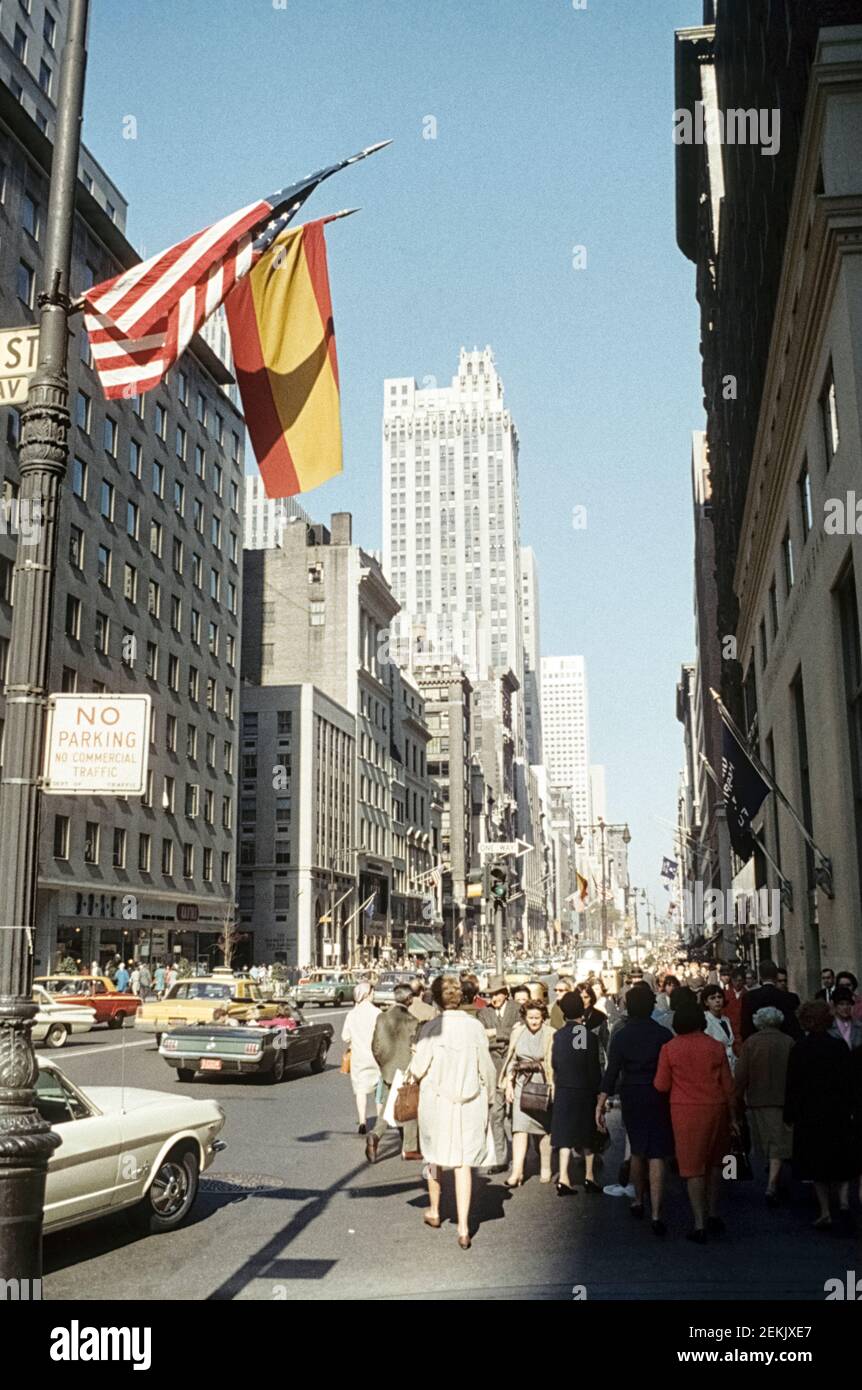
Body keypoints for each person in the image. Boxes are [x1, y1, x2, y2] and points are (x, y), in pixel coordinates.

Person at [411, 977, 497, 1249]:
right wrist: (491, 1098)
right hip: (470, 1102)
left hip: (437, 1102)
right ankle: (463, 1228)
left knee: (433, 1157)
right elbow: (487, 1068)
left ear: (435, 1000)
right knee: (464, 1164)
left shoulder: (431, 1029)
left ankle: (435, 1210)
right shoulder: (475, 1028)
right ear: (460, 999)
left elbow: (417, 1068)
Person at [654, 1002, 736, 1243]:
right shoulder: (716, 1047)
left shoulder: (670, 1048)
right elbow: (728, 1086)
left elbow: (661, 1085)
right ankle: (713, 1212)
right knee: (715, 1162)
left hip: (685, 1111)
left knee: (692, 1168)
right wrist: (733, 1117)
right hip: (716, 1107)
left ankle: (699, 1223)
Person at [596, 982, 674, 1234]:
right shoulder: (663, 1035)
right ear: (652, 1005)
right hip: (658, 1093)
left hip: (631, 1092)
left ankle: (638, 1199)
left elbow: (611, 1072)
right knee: (658, 1152)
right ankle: (657, 1213)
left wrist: (600, 1102)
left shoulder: (621, 1035)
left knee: (638, 1148)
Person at [784, 999, 855, 1229]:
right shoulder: (839, 1047)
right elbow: (849, 1082)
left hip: (810, 1112)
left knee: (816, 1163)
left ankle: (825, 1210)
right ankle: (843, 1203)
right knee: (841, 1158)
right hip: (837, 1110)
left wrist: (790, 1113)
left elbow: (793, 1084)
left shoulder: (799, 1049)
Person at [734, 1005, 794, 1207]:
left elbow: (741, 1074)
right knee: (780, 1141)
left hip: (758, 1099)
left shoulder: (751, 1043)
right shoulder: (788, 1042)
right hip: (783, 1098)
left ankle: (771, 1181)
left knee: (766, 1141)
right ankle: (773, 1182)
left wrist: (737, 1098)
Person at [499, 996, 555, 1188]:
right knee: (519, 1129)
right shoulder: (518, 1032)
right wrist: (508, 1084)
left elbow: (553, 1062)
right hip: (522, 1083)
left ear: (543, 1017)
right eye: (530, 1017)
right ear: (524, 1017)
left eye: (537, 1017)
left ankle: (546, 1166)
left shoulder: (551, 1034)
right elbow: (511, 1060)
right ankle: (517, 1172)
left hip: (542, 1083)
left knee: (543, 1129)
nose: (533, 1021)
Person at [551, 993, 602, 1195]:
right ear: (582, 1010)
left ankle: (563, 1177)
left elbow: (556, 1063)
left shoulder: (558, 1035)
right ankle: (589, 1176)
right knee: (588, 1133)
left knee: (564, 1134)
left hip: (564, 1088)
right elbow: (586, 1063)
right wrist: (598, 1091)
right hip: (583, 1088)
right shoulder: (582, 1033)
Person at [367, 983, 420, 1162]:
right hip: (406, 1068)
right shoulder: (413, 1021)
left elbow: (375, 1046)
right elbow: (415, 1047)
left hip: (388, 1068)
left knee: (389, 1106)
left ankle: (375, 1135)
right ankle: (410, 1147)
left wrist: (383, 1064)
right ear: (409, 999)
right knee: (410, 1106)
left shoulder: (382, 1018)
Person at [477, 976, 520, 1174]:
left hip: (514, 1067)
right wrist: (504, 1035)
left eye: (497, 994)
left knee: (519, 1115)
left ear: (505, 993)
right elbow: (482, 1038)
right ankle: (501, 1158)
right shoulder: (483, 1013)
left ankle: (524, 1154)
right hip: (493, 1068)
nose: (494, 998)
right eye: (491, 995)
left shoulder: (517, 1009)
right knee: (496, 1114)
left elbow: (519, 1033)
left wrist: (495, 1033)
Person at [341, 982, 382, 1135]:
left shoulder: (352, 1014)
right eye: (372, 992)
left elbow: (345, 1037)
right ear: (367, 994)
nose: (374, 994)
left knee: (361, 1090)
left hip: (358, 1057)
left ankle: (362, 1121)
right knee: (379, 1090)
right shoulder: (377, 1013)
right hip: (376, 1056)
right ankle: (380, 1120)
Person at [741, 960, 801, 1041]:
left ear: (760, 977)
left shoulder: (749, 997)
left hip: (758, 1044)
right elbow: (795, 1028)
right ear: (776, 976)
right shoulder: (790, 998)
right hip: (783, 1045)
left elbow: (745, 1028)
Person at [702, 985, 736, 1073]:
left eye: (719, 997)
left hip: (731, 1065)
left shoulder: (726, 1019)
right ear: (706, 1002)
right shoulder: (704, 1020)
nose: (717, 1001)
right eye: (712, 998)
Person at [723, 968, 747, 1052]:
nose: (737, 983)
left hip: (742, 1031)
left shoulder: (748, 995)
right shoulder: (725, 995)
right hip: (729, 1030)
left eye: (740, 980)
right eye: (735, 980)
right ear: (731, 980)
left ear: (744, 981)